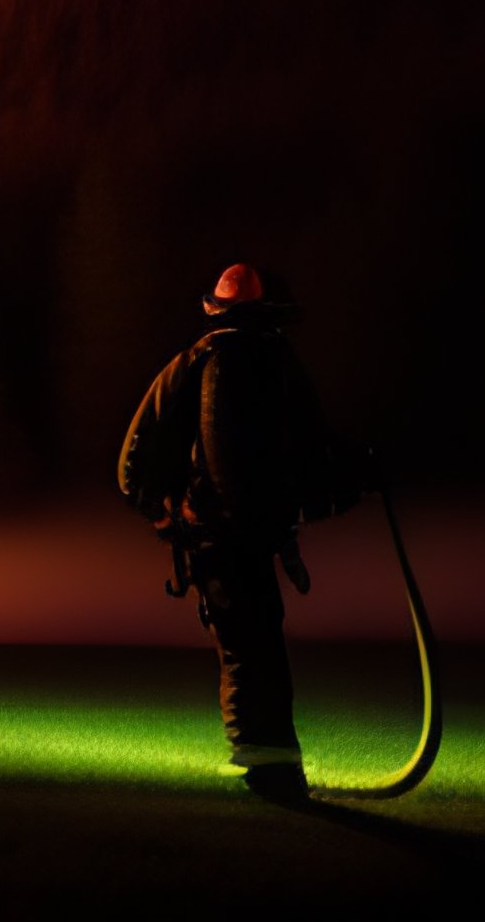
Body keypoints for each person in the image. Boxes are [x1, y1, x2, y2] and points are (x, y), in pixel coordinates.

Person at [117, 263, 367, 793]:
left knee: (247, 644)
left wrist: (164, 515)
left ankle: (271, 763)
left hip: (217, 536)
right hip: (248, 534)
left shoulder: (203, 360)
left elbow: (133, 458)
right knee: (258, 642)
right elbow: (314, 448)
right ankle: (272, 766)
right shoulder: (274, 361)